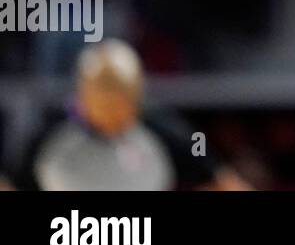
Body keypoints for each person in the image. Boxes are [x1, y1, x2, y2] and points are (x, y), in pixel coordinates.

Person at [2, 39, 252, 191]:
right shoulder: (51, 134)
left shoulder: (163, 130)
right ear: (84, 97)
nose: (113, 112)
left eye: (120, 101)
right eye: (104, 101)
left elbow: (221, 180)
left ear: (135, 96)